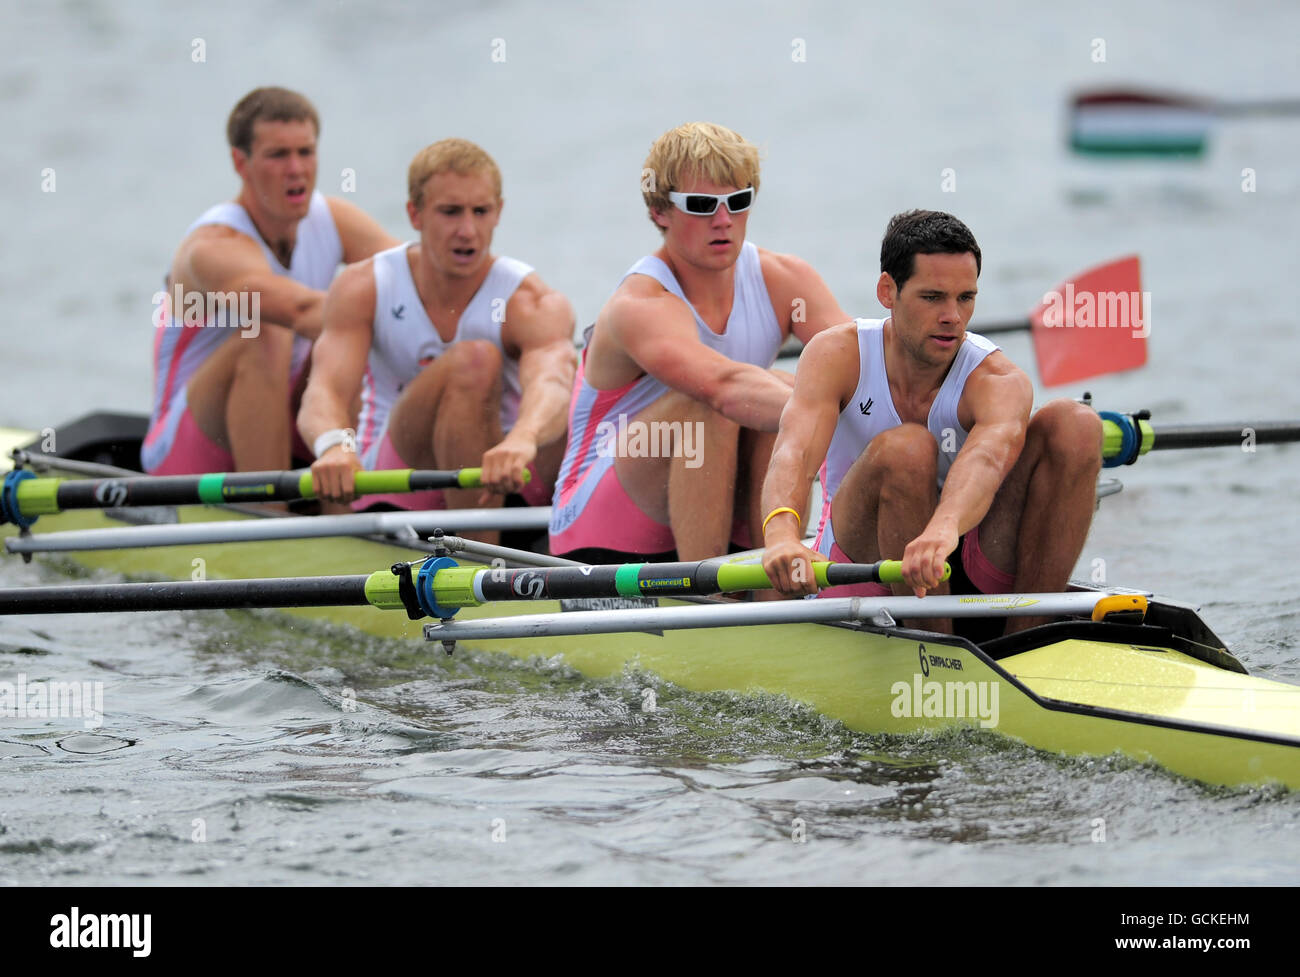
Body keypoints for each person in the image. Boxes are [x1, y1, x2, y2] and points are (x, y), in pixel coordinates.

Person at [760, 210, 1102, 635]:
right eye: (932, 297)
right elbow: (793, 451)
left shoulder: (998, 380)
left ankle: (1028, 638)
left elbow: (989, 459)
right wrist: (781, 535)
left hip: (964, 557)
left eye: (965, 298)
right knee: (907, 447)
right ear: (888, 291)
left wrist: (943, 529)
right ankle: (938, 649)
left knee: (1077, 424)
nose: (952, 317)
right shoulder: (837, 355)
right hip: (863, 564)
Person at [548, 122, 850, 564]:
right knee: (719, 404)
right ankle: (713, 603)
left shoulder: (786, 279)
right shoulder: (642, 302)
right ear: (660, 212)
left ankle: (774, 592)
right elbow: (722, 387)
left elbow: (865, 367)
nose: (723, 220)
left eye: (738, 202)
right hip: (600, 520)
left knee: (792, 389)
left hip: (708, 493)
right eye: (703, 205)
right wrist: (841, 414)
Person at [297, 138, 576, 535]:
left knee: (593, 370)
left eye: (481, 212)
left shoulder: (530, 300)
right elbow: (324, 390)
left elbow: (553, 383)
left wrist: (524, 437)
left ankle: (497, 556)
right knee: (476, 360)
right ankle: (478, 570)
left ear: (498, 212)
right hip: (394, 478)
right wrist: (333, 447)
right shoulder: (365, 286)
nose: (467, 230)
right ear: (415, 214)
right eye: (450, 212)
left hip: (507, 478)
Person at [143, 87, 396, 475]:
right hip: (184, 448)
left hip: (281, 417)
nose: (296, 169)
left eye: (305, 152)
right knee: (267, 332)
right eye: (278, 155)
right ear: (240, 163)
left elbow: (419, 279)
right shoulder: (213, 246)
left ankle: (347, 507)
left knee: (350, 344)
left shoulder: (334, 219)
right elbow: (299, 310)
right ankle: (271, 515)